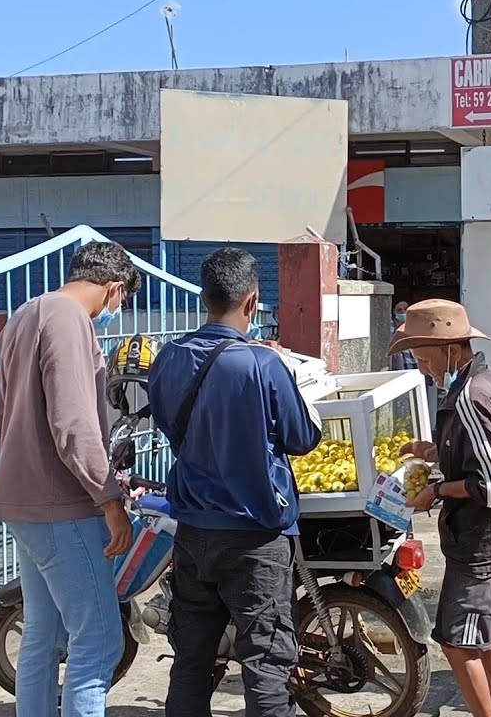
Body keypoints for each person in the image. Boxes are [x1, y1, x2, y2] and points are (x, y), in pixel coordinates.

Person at [147, 248, 324, 716]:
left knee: (191, 658)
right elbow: (303, 437)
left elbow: (168, 423)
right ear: (251, 302)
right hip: (256, 538)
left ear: (207, 298)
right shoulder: (263, 365)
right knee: (266, 660)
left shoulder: (169, 357)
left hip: (193, 533)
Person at [0, 241, 141, 717]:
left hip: (23, 503)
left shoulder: (26, 314)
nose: (115, 312)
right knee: (97, 643)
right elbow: (74, 425)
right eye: (121, 302)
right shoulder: (69, 321)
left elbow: (0, 420)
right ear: (114, 289)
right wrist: (110, 498)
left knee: (42, 639)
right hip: (62, 508)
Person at [394, 299, 491, 717]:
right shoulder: (489, 379)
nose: (423, 368)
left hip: (482, 540)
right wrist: (436, 452)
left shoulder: (469, 398)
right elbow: (483, 454)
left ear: (452, 350)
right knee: (486, 635)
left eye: (424, 358)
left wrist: (435, 492)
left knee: (457, 642)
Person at [390, 301, 418, 371]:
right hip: (401, 365)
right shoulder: (390, 326)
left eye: (405, 309)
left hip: (416, 363)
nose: (403, 312)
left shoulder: (416, 325)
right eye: (399, 310)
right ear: (394, 312)